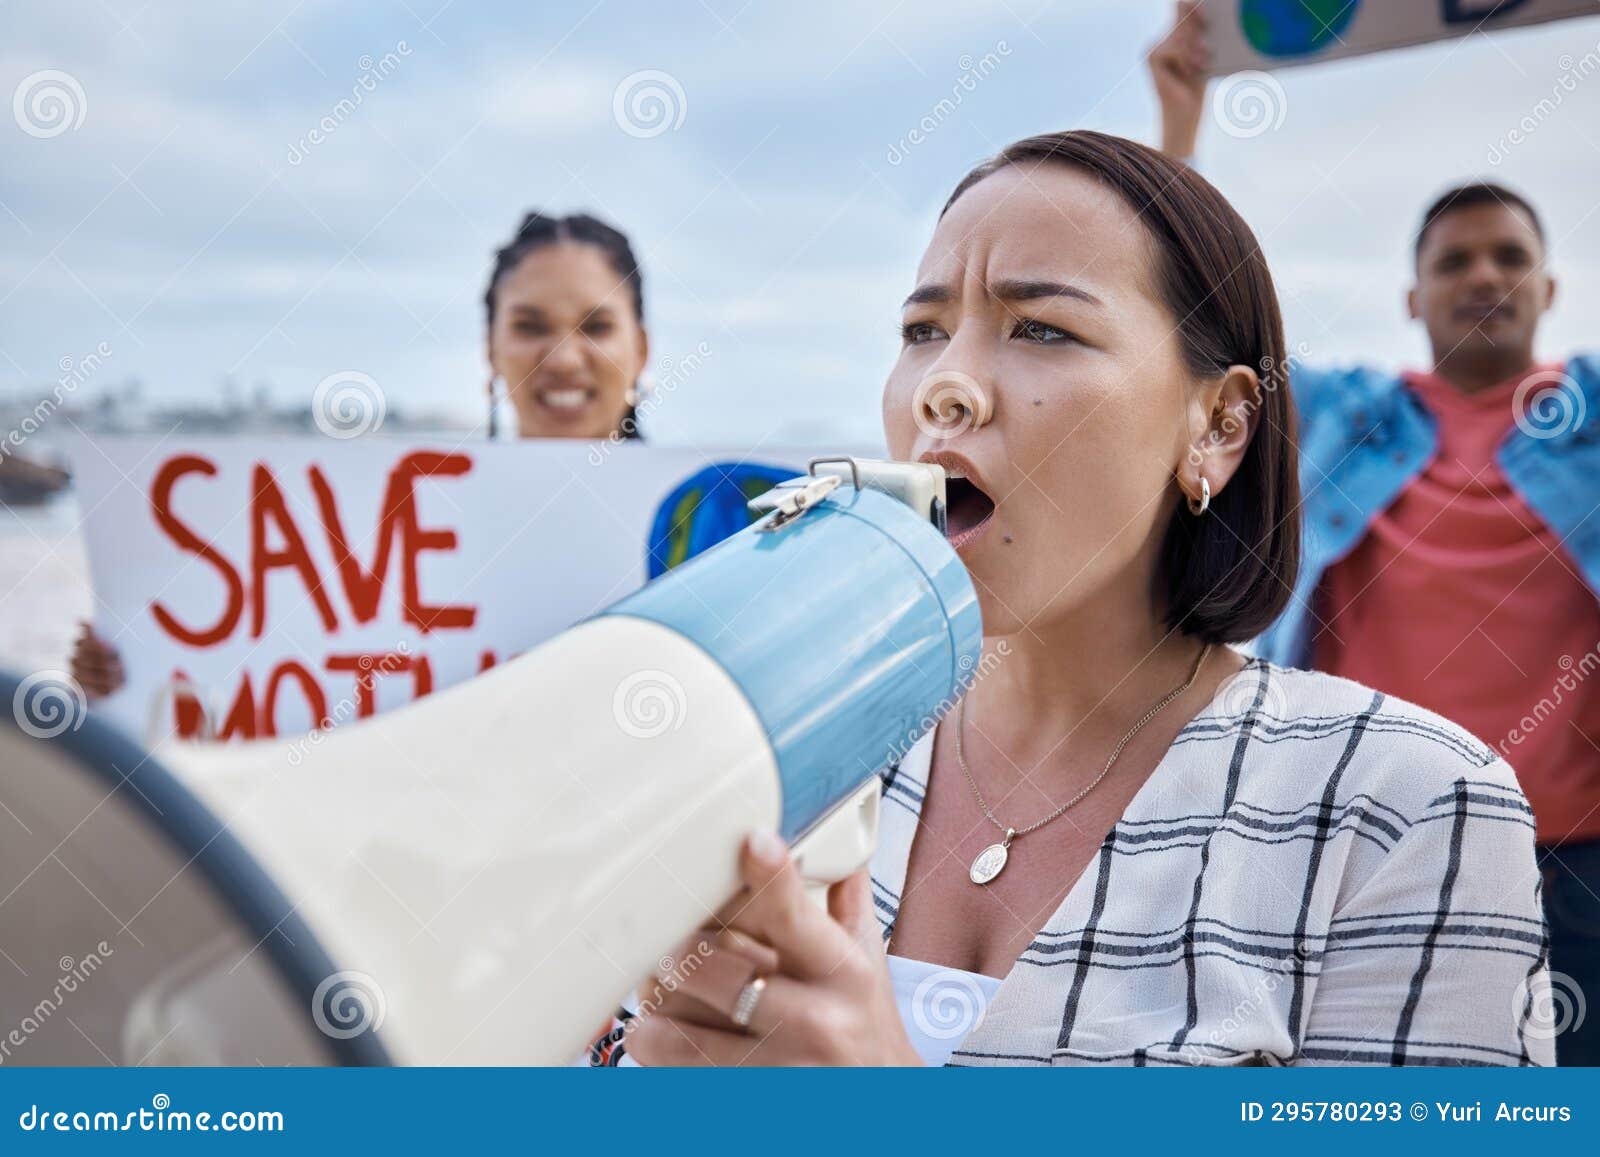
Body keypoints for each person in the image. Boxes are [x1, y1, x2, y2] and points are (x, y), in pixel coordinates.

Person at [595, 129, 1552, 1067]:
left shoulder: (1409, 806)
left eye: (1042, 327)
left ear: (1218, 426)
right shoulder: (787, 757)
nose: (946, 387)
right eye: (922, 331)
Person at [1150, 0, 1600, 1065]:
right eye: (1454, 261)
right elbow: (1205, 326)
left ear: (1547, 286)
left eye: (1505, 256)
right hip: (1374, 854)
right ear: (1412, 294)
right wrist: (1180, 123)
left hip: (1577, 862)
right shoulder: (1348, 417)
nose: (1482, 276)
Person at [71, 211, 783, 697]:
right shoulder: (405, 527)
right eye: (531, 325)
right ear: (489, 349)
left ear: (643, 349)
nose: (564, 356)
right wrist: (141, 674)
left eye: (596, 325)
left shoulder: (726, 525)